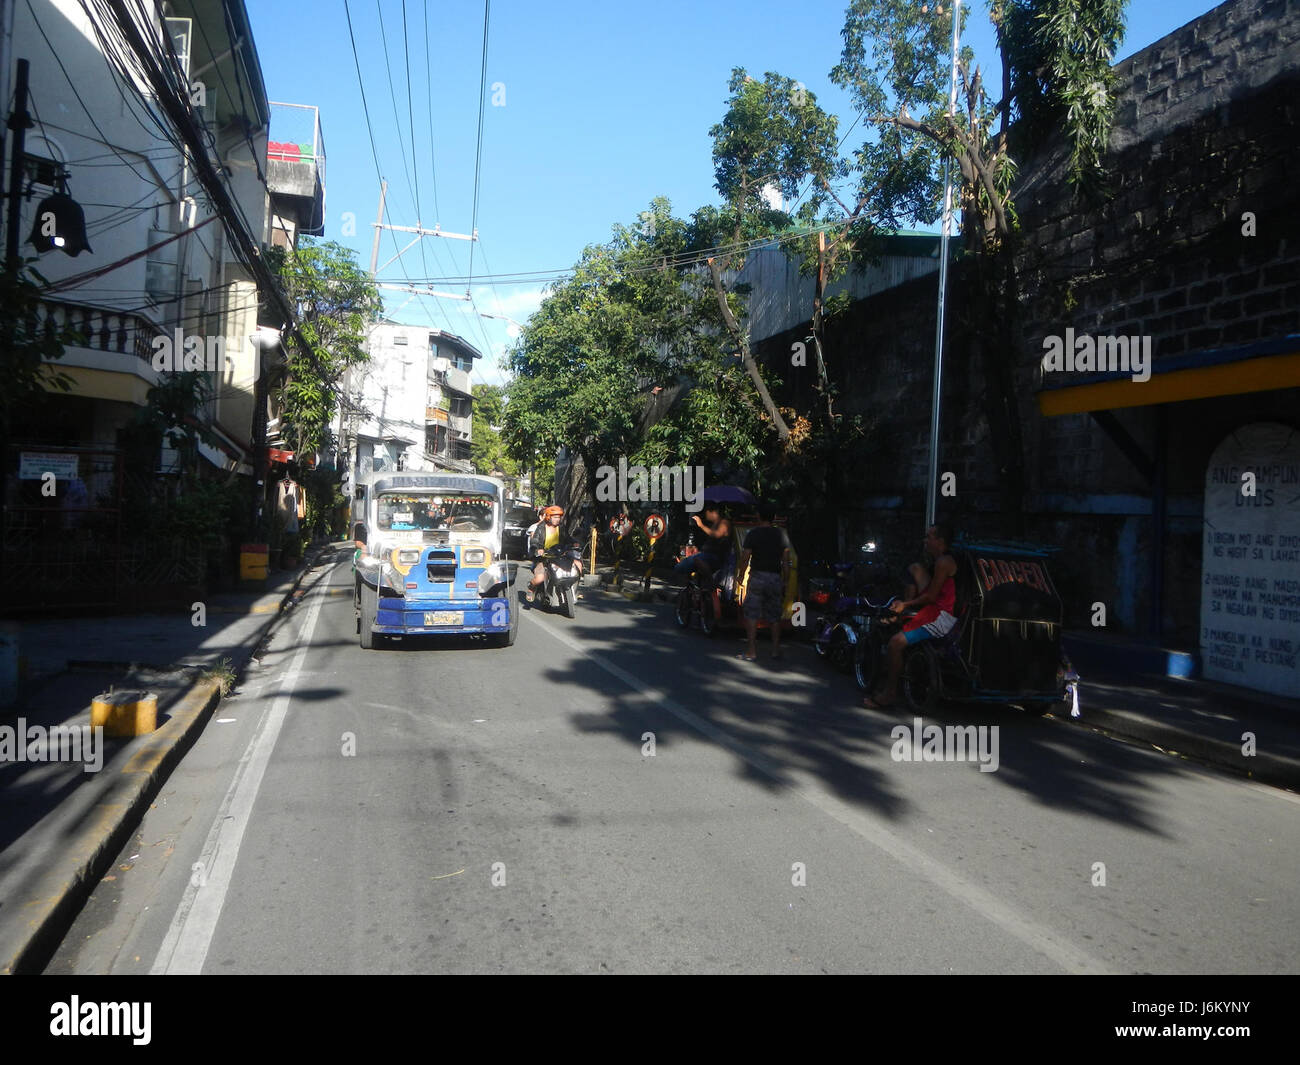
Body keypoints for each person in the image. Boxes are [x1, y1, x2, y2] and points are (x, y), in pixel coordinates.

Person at [864, 522, 958, 709]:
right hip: (934, 610)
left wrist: (905, 605)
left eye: (929, 537)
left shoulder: (943, 562)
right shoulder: (939, 561)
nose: (925, 541)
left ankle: (889, 693)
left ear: (940, 542)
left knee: (895, 643)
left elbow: (931, 596)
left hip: (941, 616)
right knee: (914, 568)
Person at [735, 503, 792, 661]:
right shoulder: (781, 535)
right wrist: (785, 581)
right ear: (774, 517)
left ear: (759, 516)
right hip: (775, 578)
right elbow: (786, 562)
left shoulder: (753, 534)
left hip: (758, 577)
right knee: (774, 615)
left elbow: (745, 557)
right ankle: (775, 650)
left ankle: (752, 651)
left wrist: (740, 575)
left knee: (752, 614)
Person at [526, 505, 582, 602]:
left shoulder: (560, 528)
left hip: (559, 555)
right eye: (555, 517)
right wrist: (537, 549)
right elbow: (534, 541)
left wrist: (574, 542)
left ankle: (575, 590)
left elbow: (567, 537)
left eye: (559, 517)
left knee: (578, 565)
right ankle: (531, 588)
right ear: (548, 517)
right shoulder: (541, 527)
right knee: (540, 578)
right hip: (544, 558)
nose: (557, 519)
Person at [673, 503, 731, 584]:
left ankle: (711, 582)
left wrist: (701, 525)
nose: (705, 514)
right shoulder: (714, 524)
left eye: (707, 512)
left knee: (696, 560)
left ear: (714, 512)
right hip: (707, 554)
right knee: (680, 566)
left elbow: (717, 534)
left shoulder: (724, 522)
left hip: (716, 557)